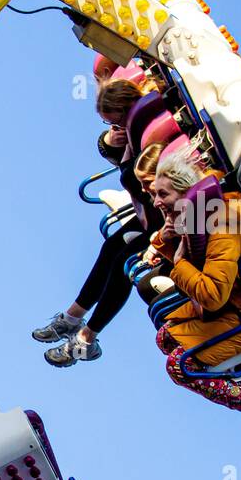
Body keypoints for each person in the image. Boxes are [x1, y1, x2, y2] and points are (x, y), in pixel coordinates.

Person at [148, 154, 241, 455]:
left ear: (184, 193)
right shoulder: (198, 219)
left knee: (180, 366)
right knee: (165, 337)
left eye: (163, 194)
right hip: (236, 304)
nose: (157, 202)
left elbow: (212, 295)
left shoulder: (222, 224)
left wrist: (179, 263)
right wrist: (170, 240)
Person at [34, 80, 164, 365]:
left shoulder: (147, 133)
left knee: (124, 264)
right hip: (148, 217)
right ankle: (72, 317)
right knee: (111, 247)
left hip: (163, 224)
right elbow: (122, 162)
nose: (113, 127)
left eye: (114, 121)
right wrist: (109, 142)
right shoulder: (131, 134)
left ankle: (86, 339)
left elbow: (135, 173)